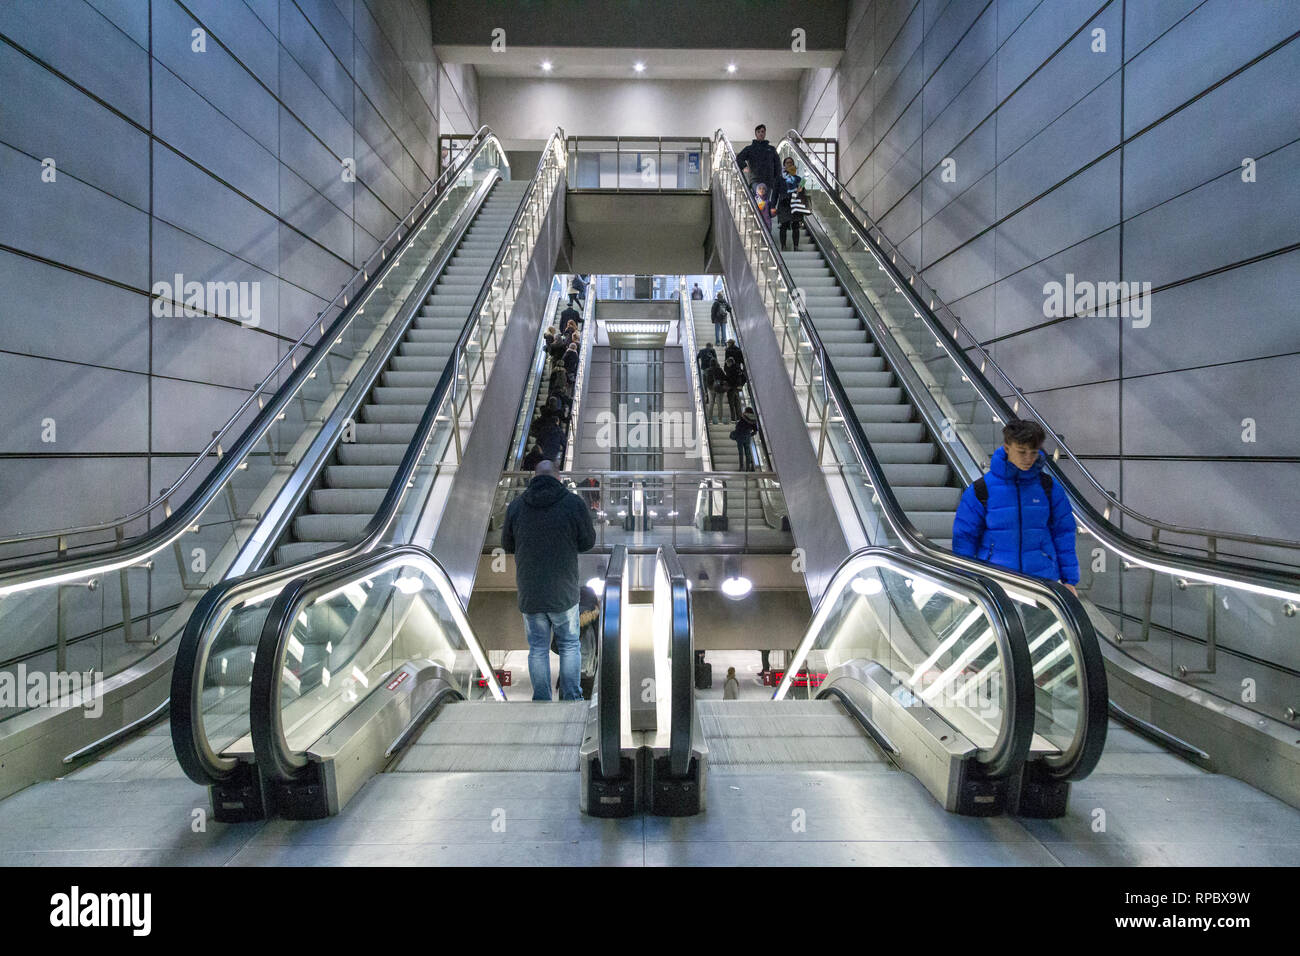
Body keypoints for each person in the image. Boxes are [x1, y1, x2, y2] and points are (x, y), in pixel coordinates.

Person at [502, 459, 597, 700]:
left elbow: (507, 544)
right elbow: (588, 542)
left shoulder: (516, 505)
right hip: (563, 592)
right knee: (569, 645)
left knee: (537, 649)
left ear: (534, 476)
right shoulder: (573, 503)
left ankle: (542, 699)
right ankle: (571, 697)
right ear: (558, 477)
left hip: (530, 592)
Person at [951, 419, 1080, 595]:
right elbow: (964, 537)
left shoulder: (1048, 487)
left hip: (1042, 582)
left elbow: (1063, 532)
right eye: (1021, 452)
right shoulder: (981, 490)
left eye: (1033, 453)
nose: (1028, 459)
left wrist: (1069, 580)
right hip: (997, 582)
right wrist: (964, 580)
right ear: (1007, 447)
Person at [736, 124, 782, 232]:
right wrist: (745, 167)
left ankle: (764, 226)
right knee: (759, 202)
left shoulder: (771, 149)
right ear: (756, 134)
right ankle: (761, 225)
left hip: (768, 180)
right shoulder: (750, 148)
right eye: (759, 132)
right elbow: (739, 158)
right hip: (756, 180)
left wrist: (775, 178)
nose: (761, 134)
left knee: (765, 203)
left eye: (763, 132)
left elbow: (777, 164)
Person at [777, 156, 809, 251]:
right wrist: (772, 206)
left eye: (791, 162)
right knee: (783, 225)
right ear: (784, 165)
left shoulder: (798, 178)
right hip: (784, 203)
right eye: (787, 163)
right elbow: (775, 192)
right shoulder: (780, 179)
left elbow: (803, 191)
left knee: (796, 225)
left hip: (795, 203)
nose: (789, 164)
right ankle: (783, 246)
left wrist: (801, 189)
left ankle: (796, 247)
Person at [732, 407, 758, 471]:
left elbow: (737, 428)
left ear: (746, 411)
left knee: (741, 453)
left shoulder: (743, 418)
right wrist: (749, 435)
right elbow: (755, 431)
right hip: (747, 437)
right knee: (747, 453)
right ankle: (748, 468)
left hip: (740, 437)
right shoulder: (754, 419)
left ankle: (741, 467)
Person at [724, 357, 748, 423]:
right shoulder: (738, 369)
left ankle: (733, 419)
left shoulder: (730, 370)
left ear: (730, 362)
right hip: (737, 389)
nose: (727, 365)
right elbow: (744, 377)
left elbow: (729, 380)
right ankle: (739, 418)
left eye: (727, 363)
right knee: (737, 404)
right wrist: (741, 385)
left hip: (731, 389)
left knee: (732, 404)